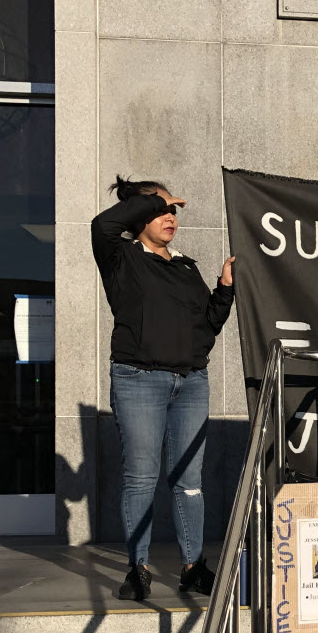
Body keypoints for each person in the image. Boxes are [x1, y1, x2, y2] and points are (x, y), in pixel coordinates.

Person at [91, 176, 237, 600]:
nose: (169, 216)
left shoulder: (185, 267)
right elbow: (102, 225)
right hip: (139, 380)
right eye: (159, 210)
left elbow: (207, 327)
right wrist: (154, 198)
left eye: (173, 210)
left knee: (189, 481)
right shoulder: (121, 256)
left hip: (190, 382)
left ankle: (193, 567)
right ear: (138, 216)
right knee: (141, 479)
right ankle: (137, 570)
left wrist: (224, 289)